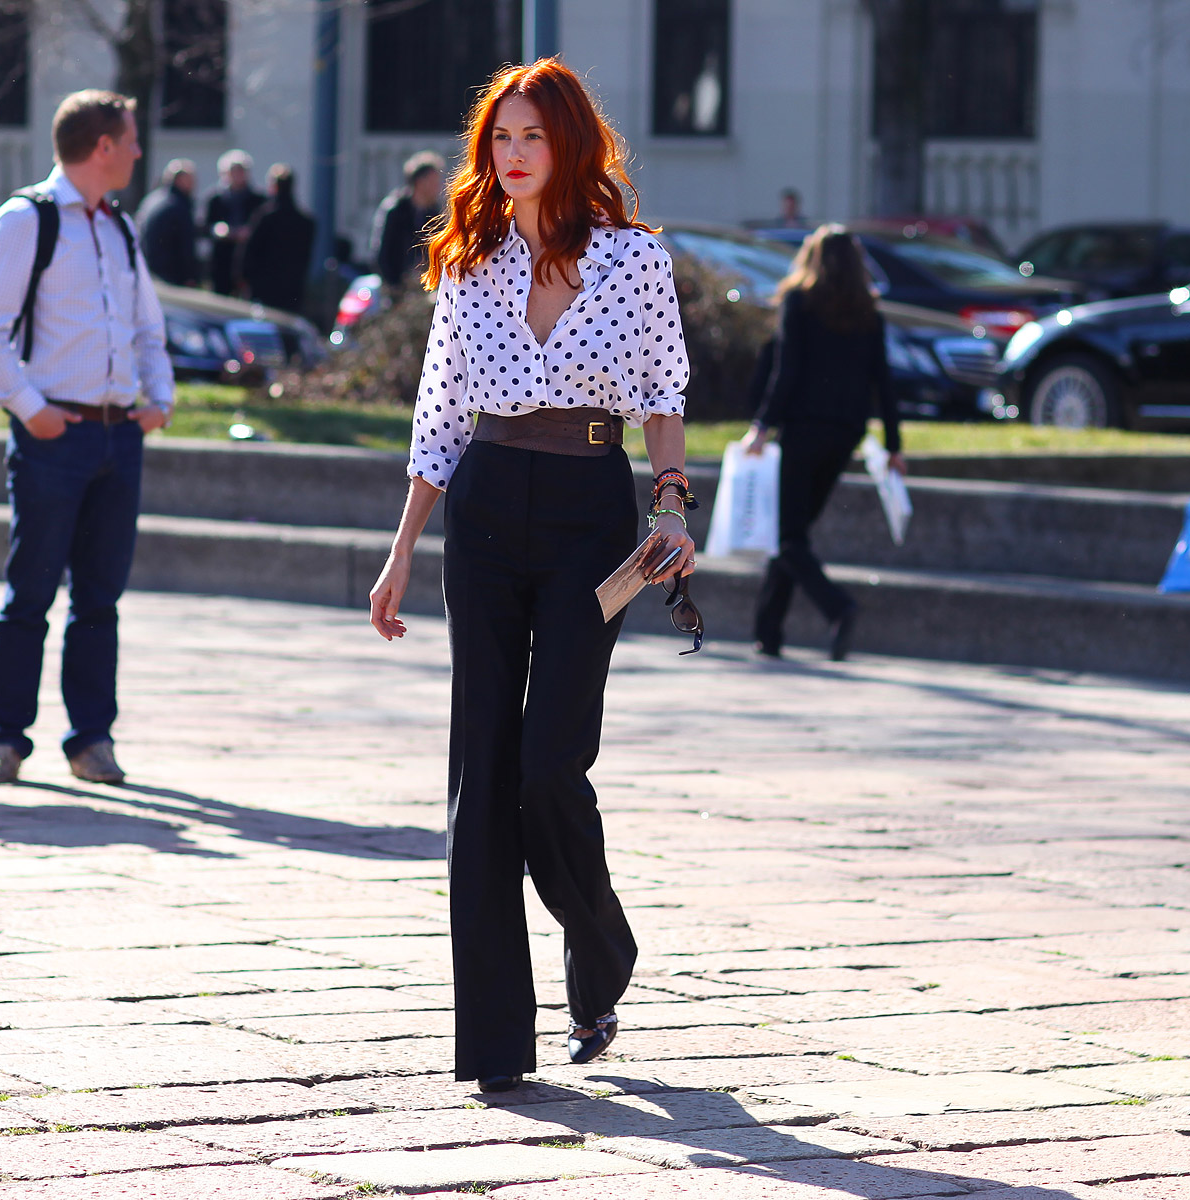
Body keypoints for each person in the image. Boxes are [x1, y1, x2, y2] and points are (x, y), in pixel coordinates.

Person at [368, 60, 694, 1093]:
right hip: (486, 507)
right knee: (481, 768)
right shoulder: (468, 258)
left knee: (551, 762)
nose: (510, 156)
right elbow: (439, 414)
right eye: (497, 139)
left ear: (570, 145)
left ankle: (599, 949)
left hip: (591, 515)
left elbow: (663, 391)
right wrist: (400, 550)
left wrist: (672, 498)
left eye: (530, 139)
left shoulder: (634, 260)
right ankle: (497, 1045)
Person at [0, 90, 174, 787]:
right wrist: (32, 409)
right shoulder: (28, 219)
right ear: (102, 146)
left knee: (100, 599)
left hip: (118, 438)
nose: (140, 152)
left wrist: (158, 398)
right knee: (30, 593)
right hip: (55, 433)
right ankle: (5, 740)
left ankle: (90, 740)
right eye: (131, 140)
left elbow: (147, 325)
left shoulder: (119, 227)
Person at [741, 224, 903, 661]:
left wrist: (762, 425)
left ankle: (837, 607)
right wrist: (893, 445)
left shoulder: (800, 301)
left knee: (789, 536)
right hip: (846, 433)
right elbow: (883, 382)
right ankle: (767, 632)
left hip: (804, 430)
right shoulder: (868, 310)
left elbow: (786, 370)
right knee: (792, 533)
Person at [240, 164, 316, 312]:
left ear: (273, 186)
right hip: (293, 288)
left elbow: (250, 252)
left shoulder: (264, 217)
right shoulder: (305, 222)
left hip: (265, 289)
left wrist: (244, 278)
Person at [369, 151, 444, 287]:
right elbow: (382, 253)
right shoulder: (395, 210)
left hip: (425, 287)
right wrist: (393, 284)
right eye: (434, 182)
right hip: (398, 286)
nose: (438, 188)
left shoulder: (434, 214)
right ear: (420, 182)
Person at [204, 149, 262, 296]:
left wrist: (249, 233)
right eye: (233, 171)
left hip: (248, 262)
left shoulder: (258, 200)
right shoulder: (214, 199)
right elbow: (203, 227)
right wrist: (217, 230)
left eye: (241, 171)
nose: (237, 176)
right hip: (222, 261)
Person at [135, 157, 200, 287]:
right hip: (170, 276)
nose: (195, 184)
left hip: (147, 269)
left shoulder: (152, 198)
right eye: (191, 179)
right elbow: (185, 244)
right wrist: (190, 276)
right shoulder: (178, 205)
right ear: (180, 180)